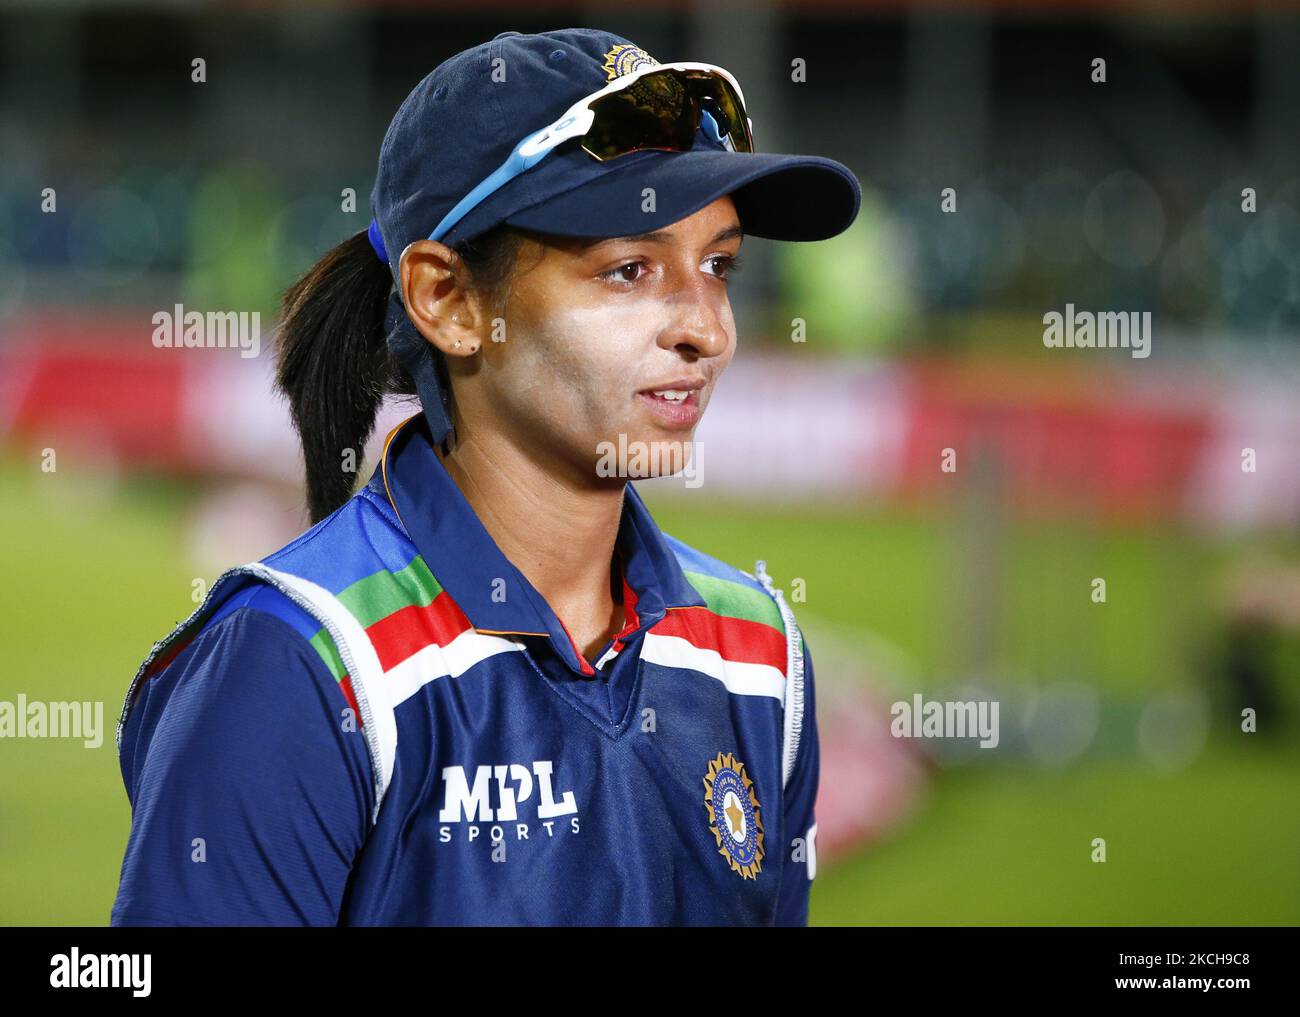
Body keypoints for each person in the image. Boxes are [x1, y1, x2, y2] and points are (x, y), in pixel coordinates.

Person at [110, 27, 860, 926]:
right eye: (628, 270)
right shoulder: (297, 666)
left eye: (718, 266)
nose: (707, 329)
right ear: (448, 301)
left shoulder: (761, 655)